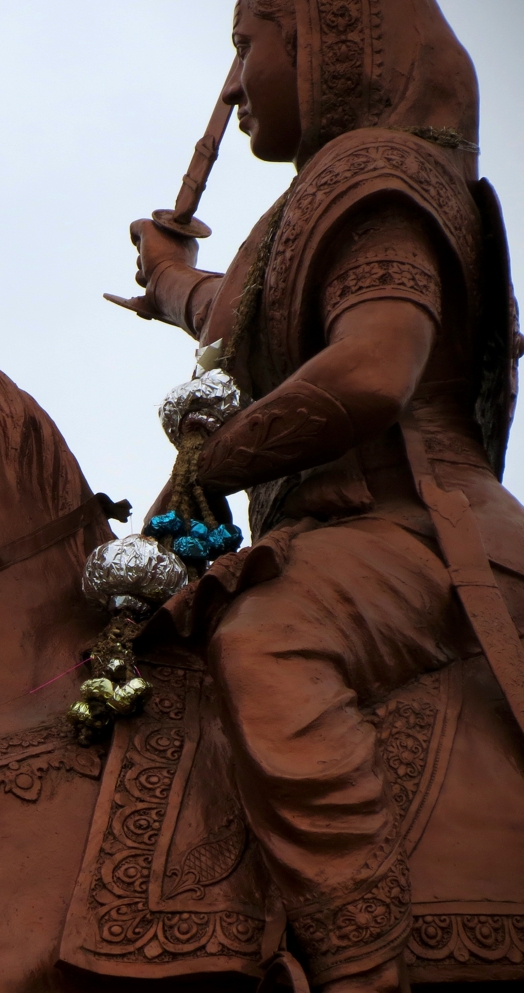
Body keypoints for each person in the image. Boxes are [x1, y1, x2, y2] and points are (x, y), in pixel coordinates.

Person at [128, 1, 524, 990]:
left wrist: (216, 464)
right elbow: (236, 315)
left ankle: (358, 958)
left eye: (243, 48)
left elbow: (372, 368)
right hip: (340, 534)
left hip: (418, 525)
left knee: (268, 643)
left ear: (318, 46)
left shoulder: (384, 179)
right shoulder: (304, 210)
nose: (232, 80)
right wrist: (170, 279)